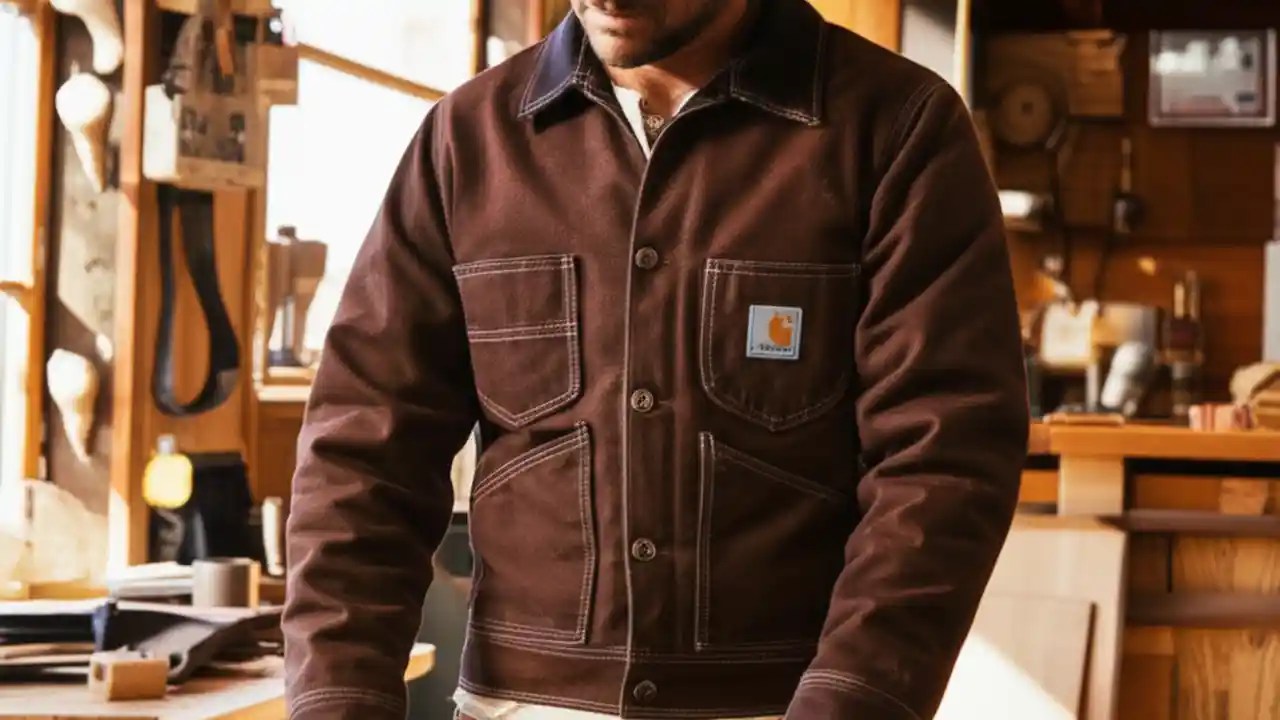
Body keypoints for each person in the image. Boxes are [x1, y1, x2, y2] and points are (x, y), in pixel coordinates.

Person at [281, 0, 1030, 717]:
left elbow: (943, 462)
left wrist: (851, 703)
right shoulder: (466, 141)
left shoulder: (896, 128)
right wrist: (336, 703)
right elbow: (363, 456)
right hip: (514, 708)